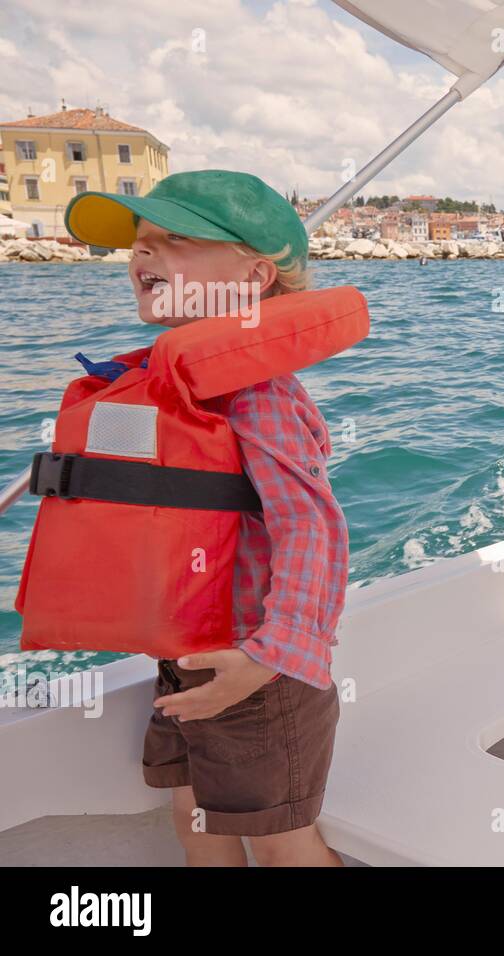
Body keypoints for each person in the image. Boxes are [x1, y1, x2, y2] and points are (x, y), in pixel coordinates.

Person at [16, 170, 366, 866]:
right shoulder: (166, 382)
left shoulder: (256, 394)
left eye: (173, 239)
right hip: (187, 659)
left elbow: (312, 526)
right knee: (194, 815)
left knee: (280, 843)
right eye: (140, 243)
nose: (143, 256)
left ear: (255, 274)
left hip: (257, 670)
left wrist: (272, 654)